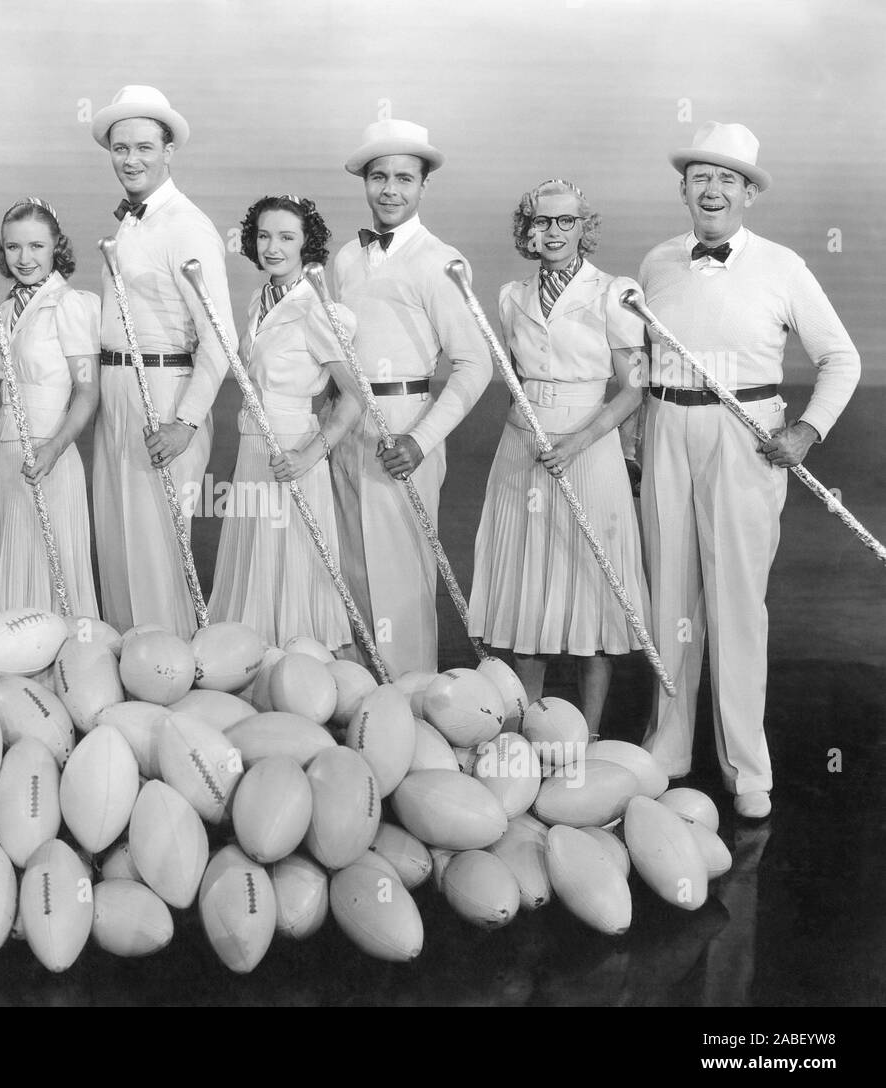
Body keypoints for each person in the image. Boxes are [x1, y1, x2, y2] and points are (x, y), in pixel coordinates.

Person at [638, 122, 860, 819]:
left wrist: (806, 430)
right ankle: (668, 749)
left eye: (727, 179)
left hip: (746, 438)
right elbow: (640, 361)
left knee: (736, 604)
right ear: (683, 188)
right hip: (665, 428)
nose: (713, 190)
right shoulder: (656, 262)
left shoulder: (783, 266)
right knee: (669, 600)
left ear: (749, 193)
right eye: (701, 177)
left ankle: (746, 767)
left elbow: (841, 358)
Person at [467, 179, 650, 734]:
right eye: (542, 221)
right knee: (530, 585)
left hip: (589, 450)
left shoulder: (614, 292)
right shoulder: (510, 297)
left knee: (591, 588)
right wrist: (529, 433)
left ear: (583, 228)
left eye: (566, 221)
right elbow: (517, 381)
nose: (553, 232)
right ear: (528, 229)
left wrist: (579, 441)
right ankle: (531, 729)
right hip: (523, 451)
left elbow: (634, 389)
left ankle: (587, 735)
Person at [329, 118, 493, 676]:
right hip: (345, 421)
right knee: (349, 572)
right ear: (365, 182)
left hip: (405, 424)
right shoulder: (345, 258)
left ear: (424, 185)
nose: (390, 190)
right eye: (379, 177)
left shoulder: (440, 260)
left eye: (404, 178)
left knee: (401, 576)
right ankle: (358, 702)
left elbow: (475, 363)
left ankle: (411, 702)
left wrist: (421, 440)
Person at [90, 84, 236, 636]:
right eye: (121, 148)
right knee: (118, 546)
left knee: (155, 553)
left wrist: (186, 422)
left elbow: (220, 337)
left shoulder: (186, 225)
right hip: (116, 391)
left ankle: (167, 667)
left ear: (169, 151)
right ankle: (128, 666)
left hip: (164, 396)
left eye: (144, 148)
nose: (131, 160)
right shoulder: (131, 222)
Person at [208, 195, 362, 648]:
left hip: (293, 451)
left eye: (286, 237)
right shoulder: (260, 300)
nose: (272, 247)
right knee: (254, 564)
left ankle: (300, 668)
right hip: (253, 447)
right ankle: (249, 665)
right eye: (264, 236)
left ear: (305, 244)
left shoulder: (317, 309)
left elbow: (356, 397)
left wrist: (310, 455)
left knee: (291, 566)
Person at [0, 197, 100, 617]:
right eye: (13, 247)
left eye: (36, 246)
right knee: (10, 559)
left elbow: (87, 391)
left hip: (50, 451)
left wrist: (54, 448)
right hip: (7, 449)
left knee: (52, 568)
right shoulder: (5, 307)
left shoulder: (70, 304)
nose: (24, 258)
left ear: (55, 248)